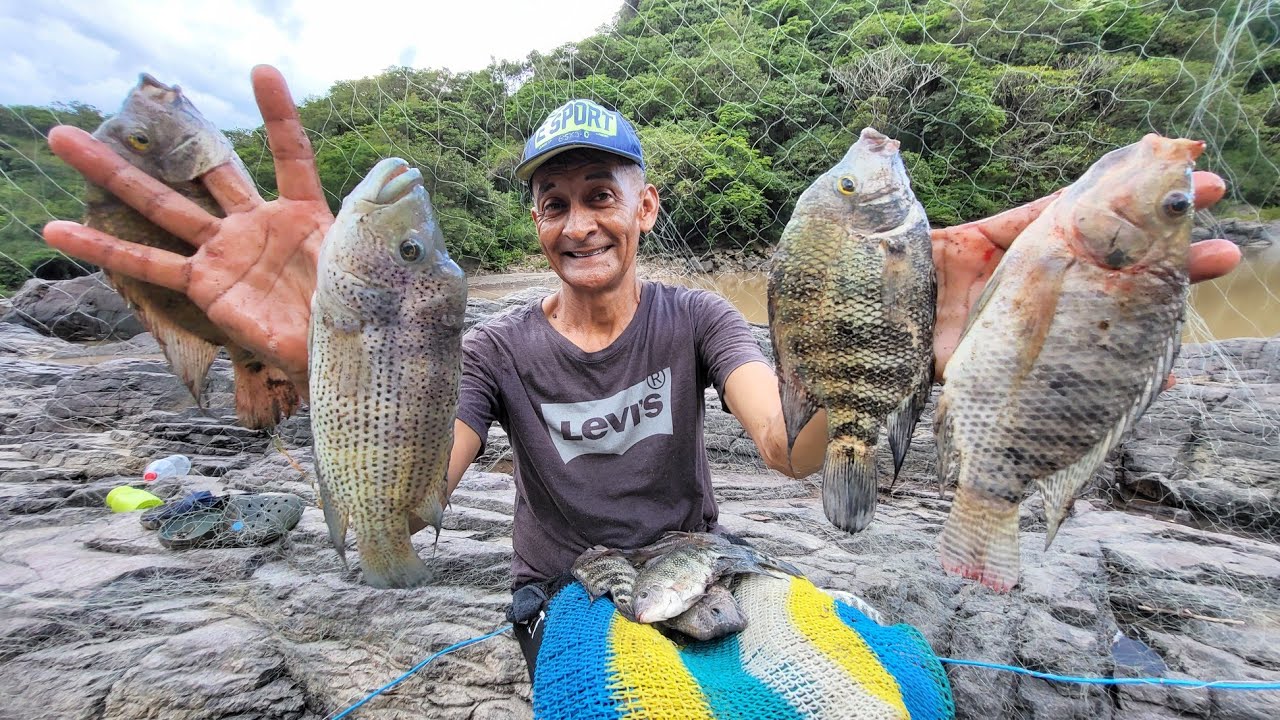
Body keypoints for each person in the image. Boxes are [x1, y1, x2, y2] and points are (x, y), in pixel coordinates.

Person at [42, 65, 1241, 677]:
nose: (576, 222)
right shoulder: (497, 349)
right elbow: (421, 484)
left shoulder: (697, 322)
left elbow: (791, 448)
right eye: (553, 202)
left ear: (642, 207)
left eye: (598, 197)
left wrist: (895, 355)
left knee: (873, 689)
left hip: (707, 565)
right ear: (533, 226)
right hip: (562, 594)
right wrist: (338, 363)